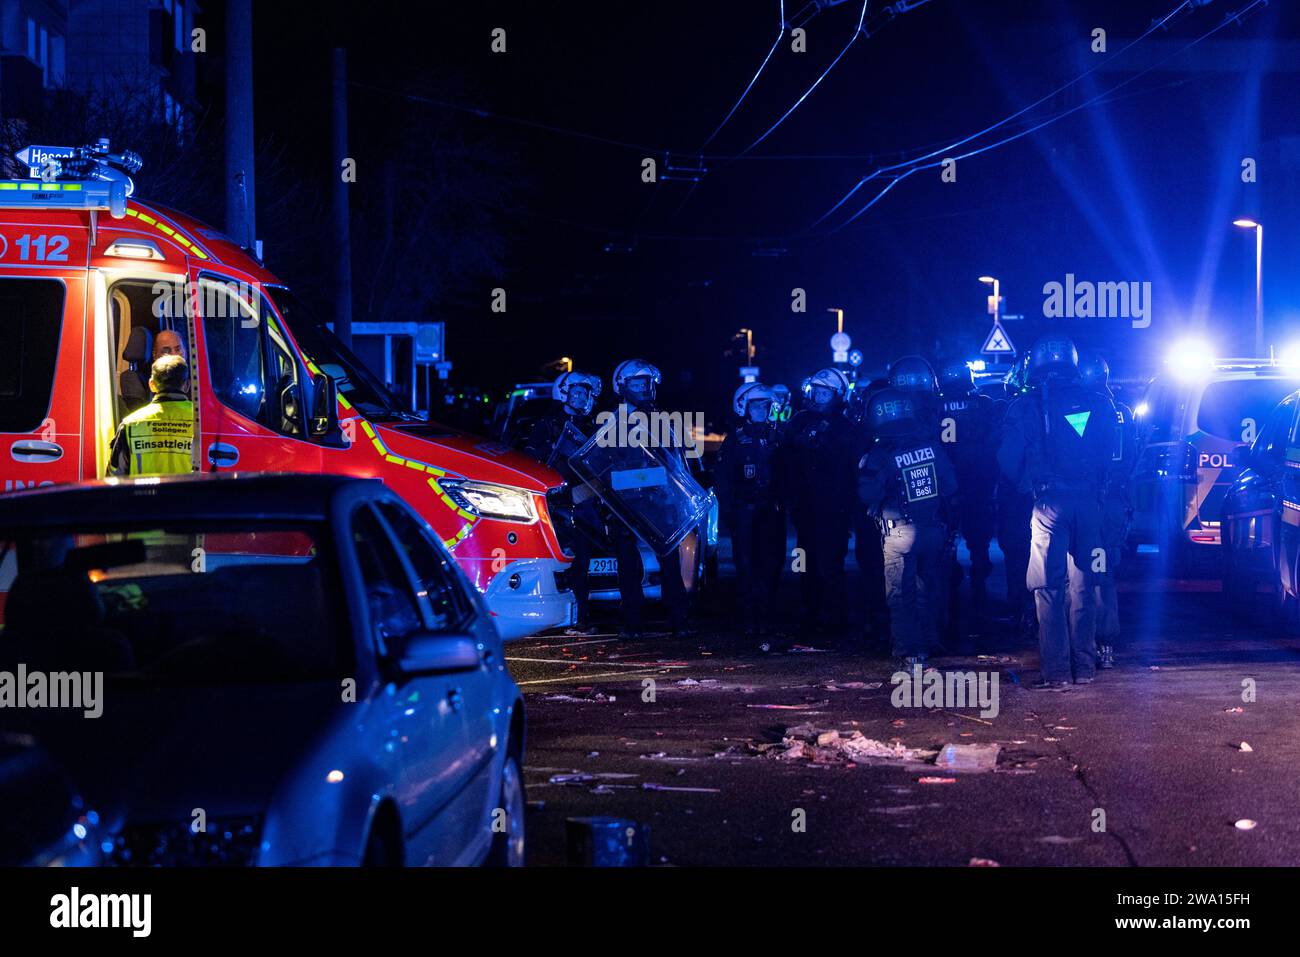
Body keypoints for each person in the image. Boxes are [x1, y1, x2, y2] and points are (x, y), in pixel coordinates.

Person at [997, 337, 1117, 689]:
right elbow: (1111, 451)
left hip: (1049, 505)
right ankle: (1086, 668)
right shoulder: (1099, 402)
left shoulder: (1025, 405)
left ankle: (1058, 673)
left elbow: (1007, 460)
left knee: (1048, 588)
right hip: (1090, 504)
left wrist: (1028, 483)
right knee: (1085, 584)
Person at [858, 387, 959, 667]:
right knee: (928, 588)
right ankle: (930, 640)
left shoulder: (879, 455)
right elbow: (951, 486)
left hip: (899, 533)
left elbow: (867, 494)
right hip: (933, 530)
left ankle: (910, 650)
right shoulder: (932, 448)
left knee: (901, 595)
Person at [607, 358, 691, 638]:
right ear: (622, 387)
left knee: (670, 562)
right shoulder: (611, 423)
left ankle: (678, 619)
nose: (643, 388)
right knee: (628, 564)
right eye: (637, 383)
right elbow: (603, 466)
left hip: (659, 503)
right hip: (625, 505)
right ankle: (633, 622)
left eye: (646, 383)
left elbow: (676, 463)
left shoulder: (663, 421)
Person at [524, 370, 604, 636]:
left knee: (581, 564)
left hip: (582, 506)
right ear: (564, 393)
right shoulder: (546, 426)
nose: (582, 399)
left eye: (586, 394)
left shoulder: (593, 428)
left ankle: (581, 618)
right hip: (551, 506)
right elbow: (532, 464)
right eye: (577, 393)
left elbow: (601, 469)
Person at [783, 368, 857, 637]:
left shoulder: (845, 427)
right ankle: (810, 615)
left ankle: (836, 619)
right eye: (817, 392)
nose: (819, 397)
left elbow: (851, 468)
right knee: (804, 564)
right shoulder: (798, 421)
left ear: (837, 396)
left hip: (834, 510)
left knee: (831, 565)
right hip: (805, 509)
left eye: (825, 393)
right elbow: (785, 460)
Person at [1079, 351, 1138, 669]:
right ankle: (1105, 644)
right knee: (1104, 573)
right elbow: (1132, 457)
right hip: (1114, 505)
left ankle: (1090, 640)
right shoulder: (1123, 412)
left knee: (1083, 574)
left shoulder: (1083, 410)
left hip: (1092, 503)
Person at [715, 383, 785, 640]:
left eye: (765, 406)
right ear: (744, 408)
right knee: (746, 564)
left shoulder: (779, 438)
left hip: (771, 511)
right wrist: (729, 511)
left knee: (771, 563)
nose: (761, 411)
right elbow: (722, 479)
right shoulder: (734, 440)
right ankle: (749, 617)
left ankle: (767, 616)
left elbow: (790, 473)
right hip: (744, 511)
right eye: (756, 406)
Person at [936, 358, 999, 639]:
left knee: (947, 541)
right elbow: (995, 442)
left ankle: (951, 595)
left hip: (949, 483)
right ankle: (979, 587)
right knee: (978, 541)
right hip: (978, 482)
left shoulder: (937, 406)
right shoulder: (984, 404)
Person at [995, 353, 1036, 640]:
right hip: (1055, 492)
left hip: (1020, 495)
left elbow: (1007, 459)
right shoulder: (1075, 401)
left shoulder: (1017, 408)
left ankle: (1022, 609)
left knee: (1017, 551)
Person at [850, 376, 893, 646]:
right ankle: (876, 615)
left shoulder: (904, 434)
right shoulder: (860, 434)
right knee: (872, 565)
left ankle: (886, 619)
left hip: (890, 511)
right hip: (870, 512)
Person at [108, 354, 194, 477]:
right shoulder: (201, 422)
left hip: (145, 490)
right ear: (187, 385)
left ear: (152, 385)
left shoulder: (130, 424)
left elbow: (114, 475)